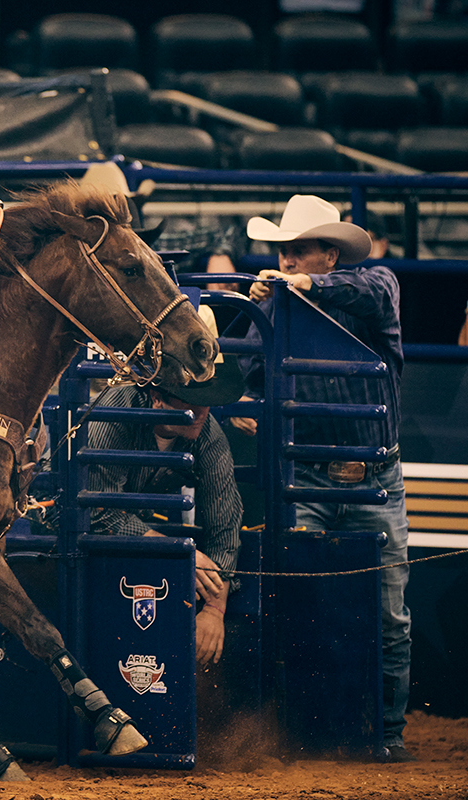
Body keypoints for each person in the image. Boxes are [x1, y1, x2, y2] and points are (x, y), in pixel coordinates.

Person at [233, 194, 414, 763]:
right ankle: (303, 729)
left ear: (329, 256)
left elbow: (372, 291)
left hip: (374, 477)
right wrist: (245, 394)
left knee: (389, 613)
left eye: (298, 251)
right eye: (282, 253)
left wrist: (297, 291)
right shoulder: (277, 310)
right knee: (298, 601)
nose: (286, 261)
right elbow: (236, 371)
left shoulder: (374, 287)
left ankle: (386, 732)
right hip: (306, 477)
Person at [87, 306, 245, 668]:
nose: (202, 410)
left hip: (130, 541)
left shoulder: (206, 432)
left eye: (207, 399)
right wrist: (180, 552)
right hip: (60, 538)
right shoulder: (115, 413)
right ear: (157, 396)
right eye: (190, 400)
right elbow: (98, 513)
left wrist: (214, 609)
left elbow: (226, 520)